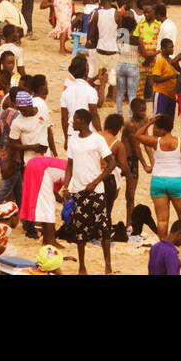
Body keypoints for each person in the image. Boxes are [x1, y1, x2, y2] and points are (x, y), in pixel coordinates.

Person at [63, 108, 115, 275]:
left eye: (76, 120)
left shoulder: (97, 139)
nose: (73, 122)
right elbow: (69, 165)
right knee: (80, 231)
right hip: (78, 191)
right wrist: (66, 187)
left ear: (84, 121)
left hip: (96, 192)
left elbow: (111, 163)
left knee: (104, 229)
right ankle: (82, 267)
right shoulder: (72, 140)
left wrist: (96, 182)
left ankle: (108, 265)